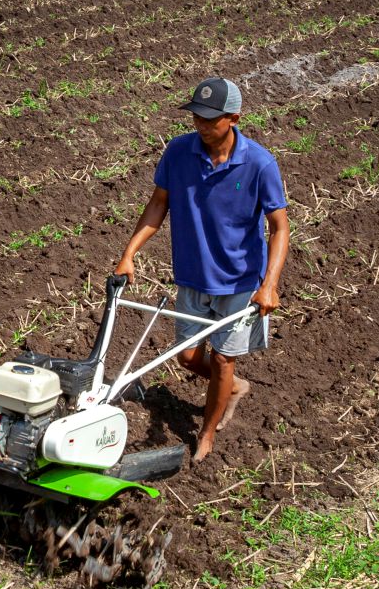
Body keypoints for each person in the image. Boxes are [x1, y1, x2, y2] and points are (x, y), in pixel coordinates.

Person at [113, 77, 290, 461]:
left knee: (224, 359)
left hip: (240, 282)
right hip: (193, 275)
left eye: (210, 120)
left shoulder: (259, 163)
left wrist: (269, 285)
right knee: (187, 356)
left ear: (234, 118)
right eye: (197, 118)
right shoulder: (178, 153)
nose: (202, 126)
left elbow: (279, 227)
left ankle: (207, 432)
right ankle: (234, 388)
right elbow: (159, 204)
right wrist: (129, 253)